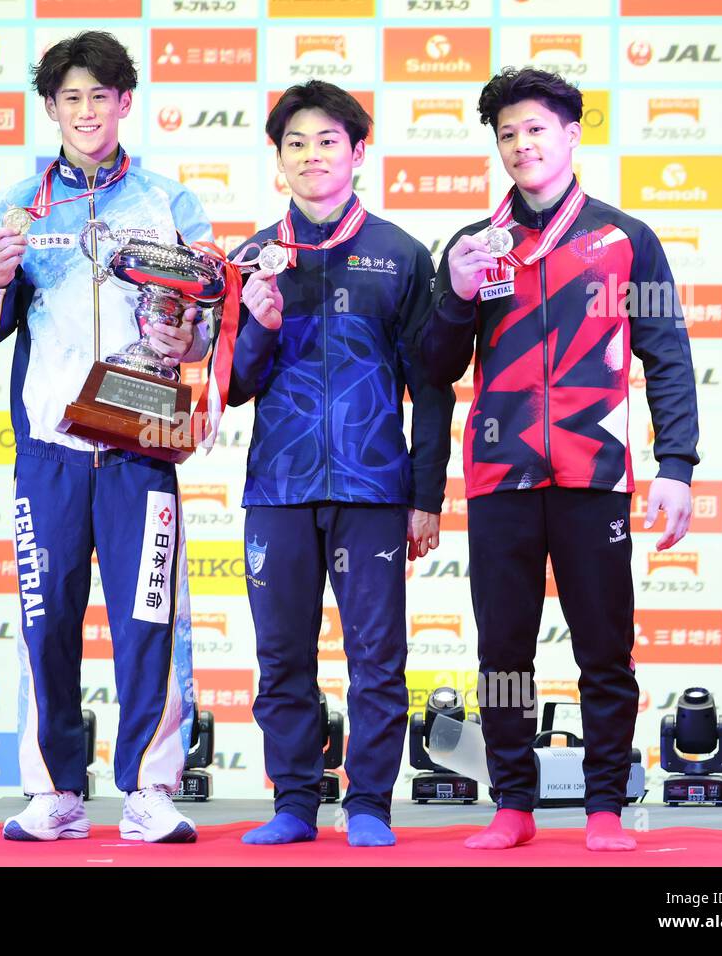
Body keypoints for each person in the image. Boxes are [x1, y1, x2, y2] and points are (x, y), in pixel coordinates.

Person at [419, 67, 699, 852]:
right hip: (501, 477)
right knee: (503, 651)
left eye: (536, 129)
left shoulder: (626, 240)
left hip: (593, 472)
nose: (522, 144)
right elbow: (435, 366)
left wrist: (675, 464)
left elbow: (667, 356)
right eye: (507, 133)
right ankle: (512, 803)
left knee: (604, 649)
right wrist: (456, 296)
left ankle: (604, 805)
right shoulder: (474, 247)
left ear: (572, 134)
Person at [0, 31, 213, 843]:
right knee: (48, 617)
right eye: (69, 98)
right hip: (49, 446)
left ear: (125, 103)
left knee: (148, 619)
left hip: (142, 434)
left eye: (100, 96)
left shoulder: (171, 202)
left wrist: (185, 337)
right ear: (50, 109)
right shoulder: (13, 208)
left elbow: (205, 330)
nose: (85, 111)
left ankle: (150, 787)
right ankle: (55, 790)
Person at [228, 81, 453, 848]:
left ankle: (369, 805)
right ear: (278, 160)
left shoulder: (399, 255)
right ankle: (294, 802)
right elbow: (229, 385)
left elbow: (432, 386)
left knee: (376, 656)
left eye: (328, 141)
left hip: (373, 488)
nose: (312, 155)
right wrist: (256, 324)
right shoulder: (253, 256)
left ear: (358, 152)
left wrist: (426, 494)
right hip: (279, 489)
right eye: (296, 143)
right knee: (281, 654)